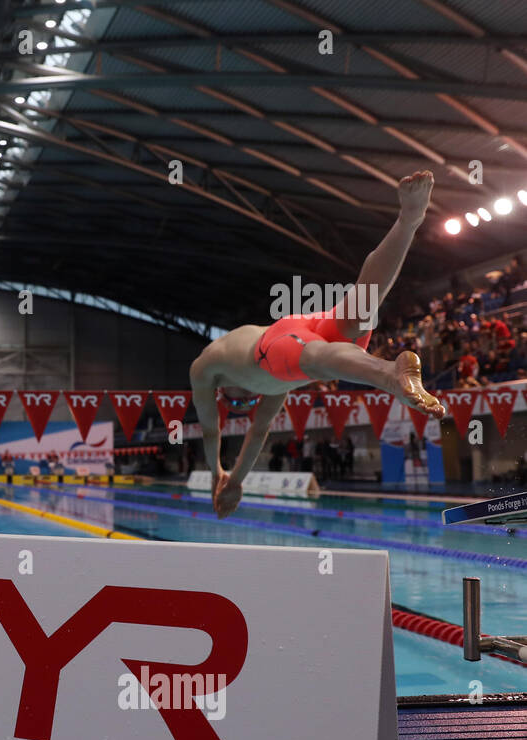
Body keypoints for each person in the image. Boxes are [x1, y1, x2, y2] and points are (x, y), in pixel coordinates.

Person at [189, 171, 446, 518]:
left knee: (316, 356)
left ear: (225, 390)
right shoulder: (273, 389)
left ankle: (388, 374)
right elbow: (258, 431)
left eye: (243, 400)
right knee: (364, 300)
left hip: (281, 341)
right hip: (306, 324)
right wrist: (233, 480)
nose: (250, 399)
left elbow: (210, 430)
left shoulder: (207, 367)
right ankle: (408, 220)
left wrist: (214, 476)